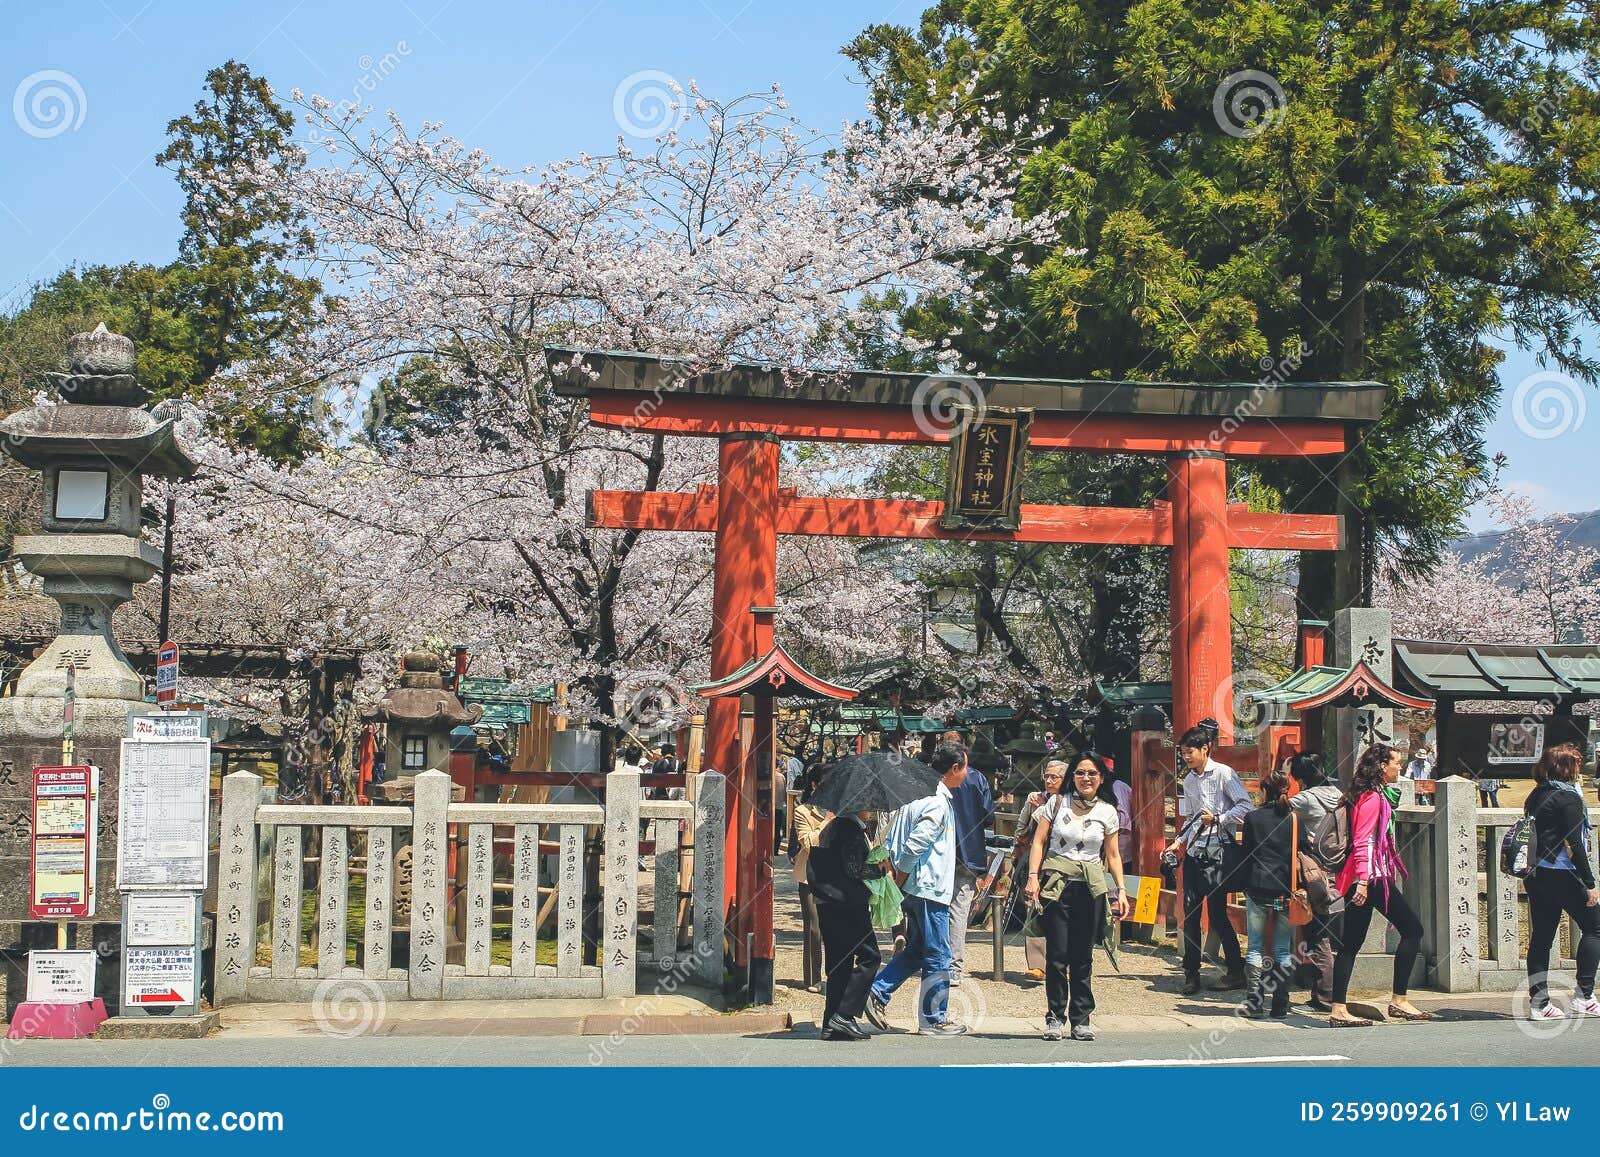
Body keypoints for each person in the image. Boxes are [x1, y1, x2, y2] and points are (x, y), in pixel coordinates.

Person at [865, 740, 970, 1037]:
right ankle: (934, 1018)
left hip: (915, 886)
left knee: (920, 948)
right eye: (965, 767)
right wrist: (900, 876)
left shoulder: (913, 795)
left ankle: (877, 992)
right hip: (926, 885)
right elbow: (915, 845)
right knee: (938, 952)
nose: (967, 773)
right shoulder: (937, 801)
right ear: (954, 768)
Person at [1024, 753, 1127, 1040]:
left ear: (1101, 778)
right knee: (1056, 954)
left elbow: (1113, 854)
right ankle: (1055, 1017)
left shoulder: (1107, 811)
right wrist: (1033, 877)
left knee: (1083, 956)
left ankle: (1081, 1018)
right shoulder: (1057, 804)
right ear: (1073, 777)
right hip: (1057, 885)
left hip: (1091, 888)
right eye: (1080, 773)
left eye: (1092, 773)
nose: (1086, 778)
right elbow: (1039, 841)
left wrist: (1121, 890)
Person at [1328, 743, 1431, 1027]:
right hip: (1371, 878)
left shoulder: (1362, 795)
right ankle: (1398, 1000)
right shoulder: (1372, 798)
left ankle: (1338, 1008)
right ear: (1382, 766)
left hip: (1363, 877)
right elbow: (1364, 841)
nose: (1400, 767)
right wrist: (1362, 881)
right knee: (1413, 930)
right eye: (1396, 762)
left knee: (1350, 943)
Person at [1161, 721, 1252, 994]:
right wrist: (1178, 841)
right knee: (1189, 912)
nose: (1186, 757)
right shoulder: (1189, 780)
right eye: (1183, 753)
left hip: (1218, 852)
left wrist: (1220, 819)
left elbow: (1246, 806)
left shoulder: (1224, 773)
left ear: (1205, 748)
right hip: (1194, 851)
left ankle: (1236, 970)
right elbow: (1192, 816)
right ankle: (1191, 973)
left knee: (1216, 913)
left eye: (1190, 752)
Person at [1523, 742, 1600, 1020]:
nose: (1580, 769)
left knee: (1542, 937)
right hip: (1562, 873)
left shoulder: (1536, 794)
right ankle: (1585, 995)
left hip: (1537, 874)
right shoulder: (1568, 798)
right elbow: (1576, 844)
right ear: (1568, 767)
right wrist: (1590, 884)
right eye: (1577, 764)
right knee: (1595, 927)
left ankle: (1539, 1003)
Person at [808, 808, 888, 1040]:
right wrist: (880, 869)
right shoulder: (850, 829)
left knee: (839, 964)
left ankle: (831, 1024)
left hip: (828, 902)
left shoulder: (833, 826)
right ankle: (844, 1014)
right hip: (848, 904)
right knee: (870, 956)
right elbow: (855, 869)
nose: (871, 810)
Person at [1239, 765, 1296, 1018]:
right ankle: (1281, 1004)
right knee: (1283, 948)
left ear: (1264, 791)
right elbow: (1303, 847)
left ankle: (1254, 1003)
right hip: (1285, 888)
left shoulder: (1253, 818)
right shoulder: (1293, 818)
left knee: (1255, 947)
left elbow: (1246, 852)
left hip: (1258, 886)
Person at [1288, 751, 1343, 1011]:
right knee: (1336, 937)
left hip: (1317, 875)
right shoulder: (1339, 794)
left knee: (1317, 935)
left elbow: (1270, 815)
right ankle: (1332, 993)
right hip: (1341, 872)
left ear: (1300, 778)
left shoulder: (1305, 799)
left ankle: (1324, 997)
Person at [946, 736, 995, 988]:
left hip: (941, 853)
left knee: (937, 909)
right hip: (969, 851)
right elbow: (988, 816)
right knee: (958, 911)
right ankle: (954, 966)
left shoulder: (936, 779)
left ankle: (936, 960)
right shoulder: (977, 778)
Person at [1011, 761, 1067, 981]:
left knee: (1061, 912)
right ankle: (1037, 964)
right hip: (1035, 861)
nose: (1049, 780)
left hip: (1061, 861)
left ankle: (1063, 962)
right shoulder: (1034, 799)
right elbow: (1020, 828)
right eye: (1047, 776)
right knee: (1033, 908)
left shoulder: (1072, 802)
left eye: (1055, 777)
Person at [790, 776, 831, 994]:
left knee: (834, 927)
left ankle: (834, 974)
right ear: (815, 784)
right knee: (814, 927)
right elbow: (808, 843)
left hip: (836, 876)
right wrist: (827, 821)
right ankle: (813, 977)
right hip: (810, 875)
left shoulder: (840, 807)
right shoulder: (802, 811)